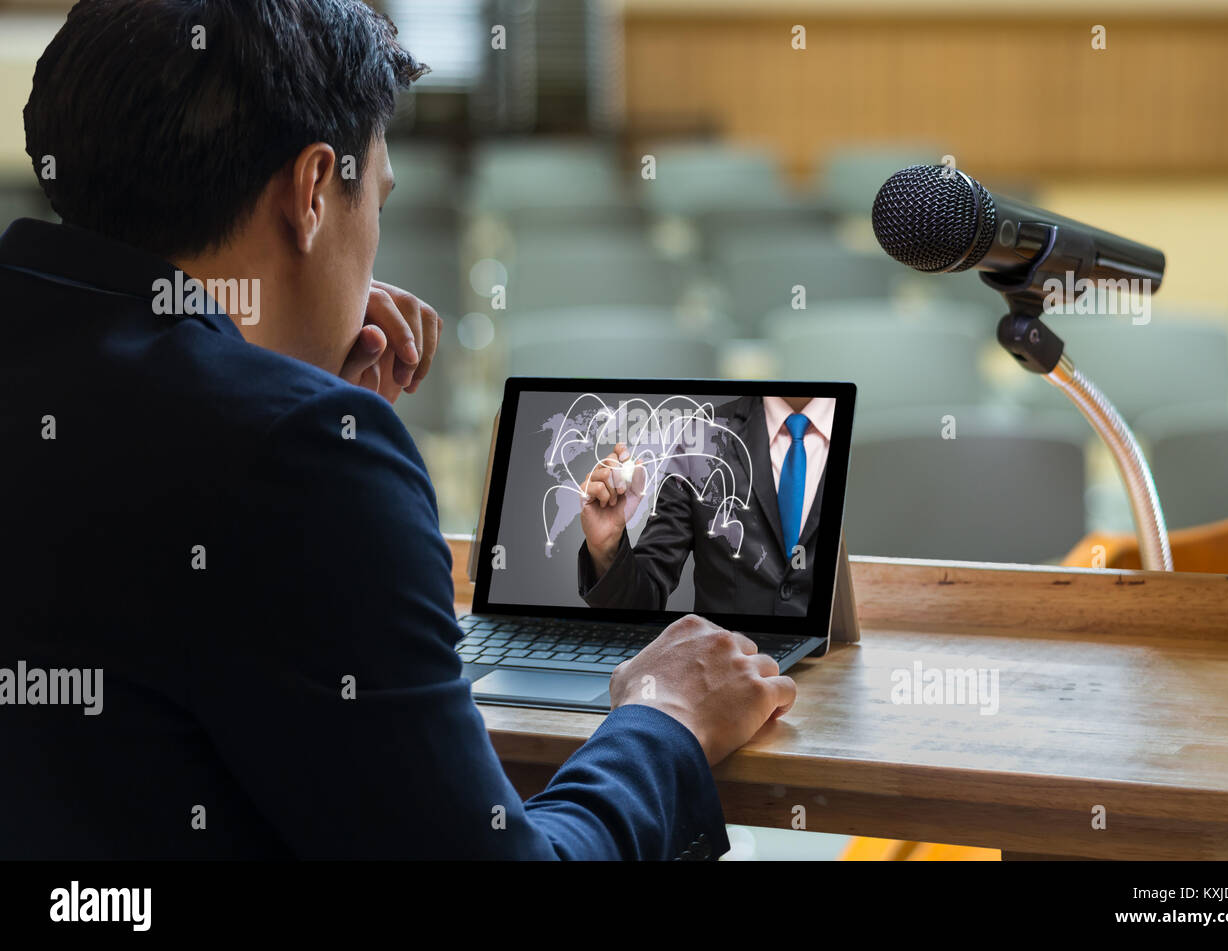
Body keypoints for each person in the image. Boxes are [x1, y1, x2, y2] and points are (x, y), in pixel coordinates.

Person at [0, 0, 794, 861]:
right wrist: (663, 719)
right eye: (373, 199)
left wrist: (269, 378)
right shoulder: (304, 455)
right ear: (310, 194)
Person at [578, 395, 835, 615]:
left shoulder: (867, 436)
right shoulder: (702, 436)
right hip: (723, 666)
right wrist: (607, 548)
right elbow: (644, 599)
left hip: (833, 661)